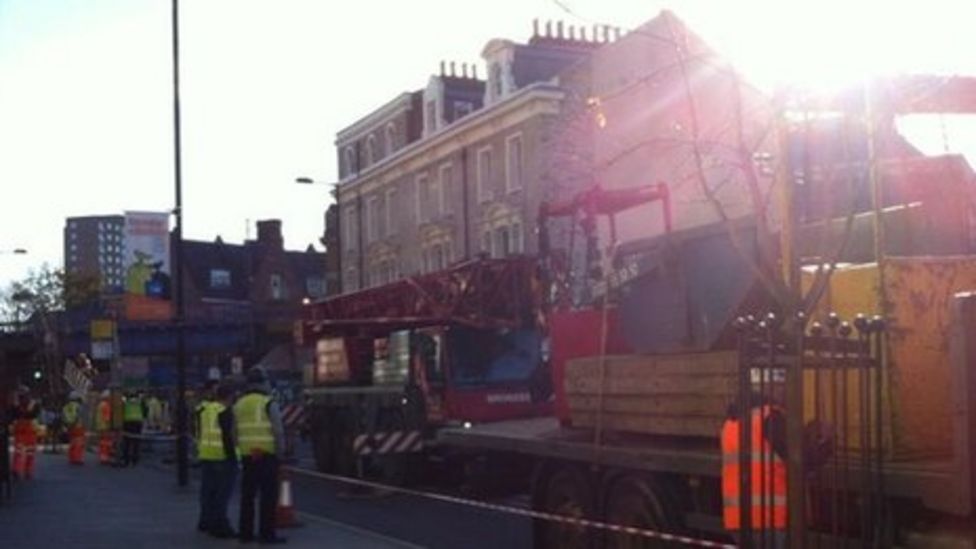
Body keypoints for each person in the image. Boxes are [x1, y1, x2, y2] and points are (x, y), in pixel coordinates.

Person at [234, 367, 287, 545]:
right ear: (264, 382)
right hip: (267, 456)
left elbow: (233, 433)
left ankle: (245, 534)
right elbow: (278, 431)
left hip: (247, 456)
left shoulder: (239, 404)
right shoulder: (268, 403)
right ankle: (266, 535)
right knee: (268, 497)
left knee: (247, 496)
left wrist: (241, 449)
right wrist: (281, 453)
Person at [196, 381, 239, 538]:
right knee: (222, 494)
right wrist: (234, 457)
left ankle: (205, 521)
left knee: (208, 492)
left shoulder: (205, 410)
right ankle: (220, 525)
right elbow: (228, 437)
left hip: (206, 454)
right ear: (229, 396)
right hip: (222, 456)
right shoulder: (225, 412)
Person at [10, 388, 40, 479]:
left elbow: (14, 415)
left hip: (24, 429)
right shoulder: (32, 404)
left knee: (21, 451)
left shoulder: (18, 404)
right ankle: (25, 471)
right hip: (28, 430)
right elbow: (33, 414)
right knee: (26, 452)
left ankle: (19, 470)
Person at [120, 390, 145, 467]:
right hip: (138, 422)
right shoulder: (140, 402)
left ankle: (126, 459)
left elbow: (122, 411)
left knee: (127, 442)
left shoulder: (126, 403)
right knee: (136, 442)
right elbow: (145, 412)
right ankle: (135, 460)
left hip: (128, 422)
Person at [62, 392, 86, 465]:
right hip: (78, 426)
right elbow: (80, 416)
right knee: (79, 443)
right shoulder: (78, 406)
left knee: (72, 442)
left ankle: (72, 458)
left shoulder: (66, 407)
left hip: (70, 426)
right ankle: (77, 459)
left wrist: (68, 425)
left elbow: (63, 417)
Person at [96, 390, 114, 465]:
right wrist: (110, 425)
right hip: (105, 426)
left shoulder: (100, 404)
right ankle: (105, 457)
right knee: (106, 443)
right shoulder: (106, 405)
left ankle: (101, 456)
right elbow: (107, 418)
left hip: (99, 425)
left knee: (101, 442)